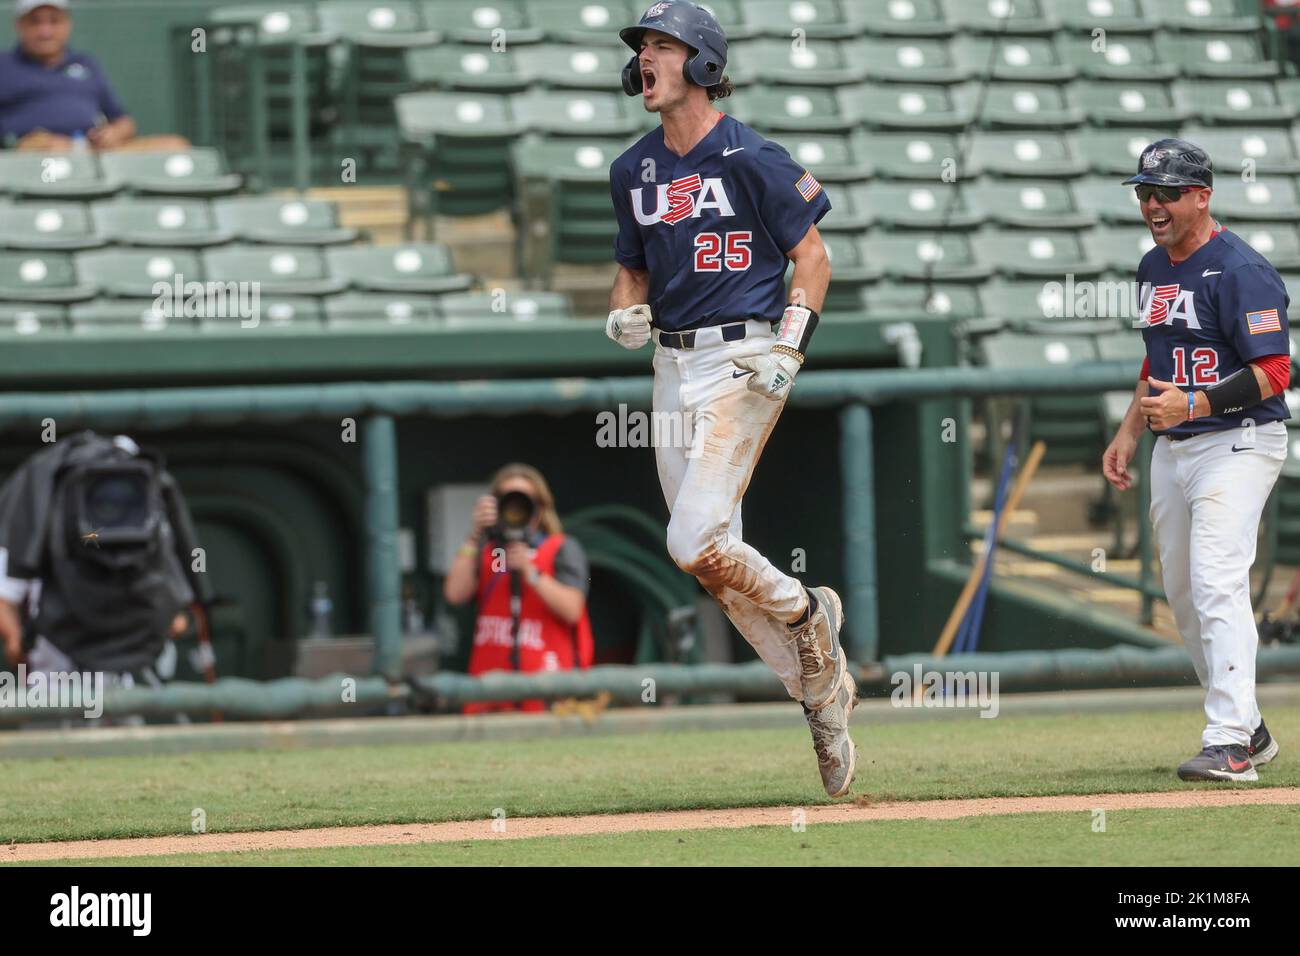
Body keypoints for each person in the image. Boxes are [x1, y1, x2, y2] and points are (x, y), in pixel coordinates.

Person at [605, 2, 853, 797]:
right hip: (672, 365)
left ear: (703, 62)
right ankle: (817, 685)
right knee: (713, 564)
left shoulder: (752, 155)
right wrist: (622, 307)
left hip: (746, 356)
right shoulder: (633, 169)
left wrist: (791, 343)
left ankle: (808, 608)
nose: (647, 58)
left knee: (691, 541)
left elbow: (812, 258)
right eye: (642, 45)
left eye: (663, 45)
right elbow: (633, 270)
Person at [1102, 138, 1290, 782]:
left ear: (1201, 196)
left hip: (1239, 441)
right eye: (1145, 192)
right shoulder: (1153, 266)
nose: (1153, 204)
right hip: (1173, 445)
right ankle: (1251, 727)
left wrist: (1197, 404)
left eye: (1167, 193)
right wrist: (1130, 430)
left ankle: (1229, 739)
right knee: (1183, 597)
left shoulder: (1241, 269)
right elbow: (1158, 360)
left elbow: (1275, 371)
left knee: (1216, 581)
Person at [442, 463, 594, 714]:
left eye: (524, 500)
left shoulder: (559, 548)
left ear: (540, 506)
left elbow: (572, 610)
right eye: (506, 499)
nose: (514, 508)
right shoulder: (492, 551)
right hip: (490, 693)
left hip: (548, 692)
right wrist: (473, 535)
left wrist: (530, 571)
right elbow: (455, 594)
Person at [0, 0, 190, 151]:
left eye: (54, 21)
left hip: (95, 153)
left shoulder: (86, 63)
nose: (45, 31)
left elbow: (124, 122)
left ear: (67, 24)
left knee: (174, 145)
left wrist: (112, 134)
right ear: (19, 25)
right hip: (34, 160)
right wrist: (20, 142)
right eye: (35, 22)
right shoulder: (5, 65)